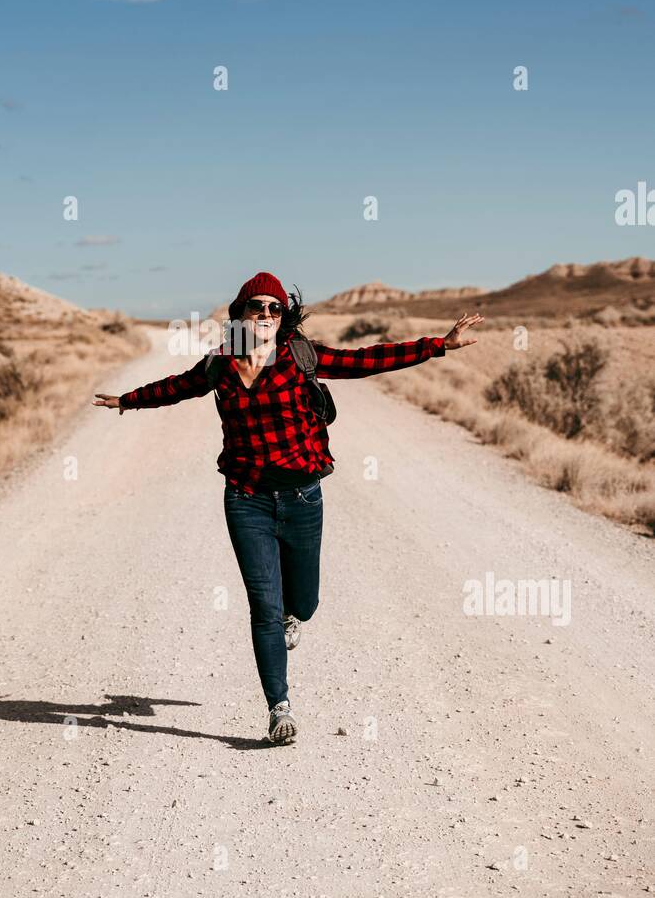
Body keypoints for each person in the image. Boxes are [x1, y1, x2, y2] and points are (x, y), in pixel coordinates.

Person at [95, 272, 482, 745]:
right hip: (245, 499)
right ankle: (280, 709)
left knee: (304, 602)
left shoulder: (302, 356)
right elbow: (177, 386)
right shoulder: (221, 363)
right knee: (264, 607)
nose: (264, 315)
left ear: (284, 317)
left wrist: (438, 345)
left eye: (274, 308)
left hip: (302, 497)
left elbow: (367, 360)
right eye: (255, 307)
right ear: (239, 315)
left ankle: (292, 618)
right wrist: (127, 401)